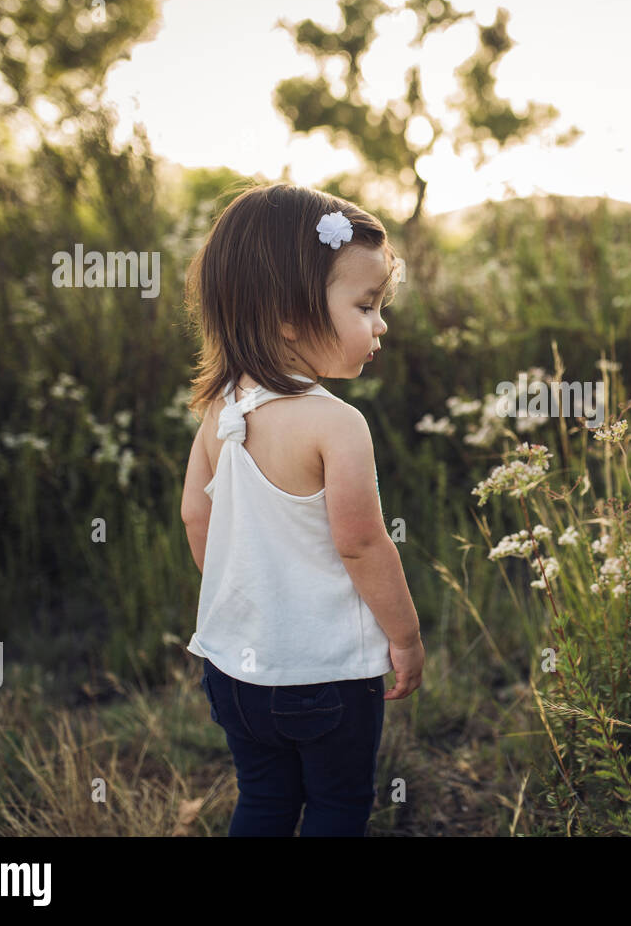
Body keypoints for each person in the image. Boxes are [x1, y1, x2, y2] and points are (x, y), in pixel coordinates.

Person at [177, 182, 424, 836]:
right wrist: (404, 636)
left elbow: (194, 517)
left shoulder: (219, 408)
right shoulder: (335, 424)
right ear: (288, 312)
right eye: (365, 306)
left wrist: (241, 603)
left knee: (264, 799)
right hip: (328, 677)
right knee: (338, 805)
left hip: (233, 669)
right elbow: (363, 544)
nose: (380, 325)